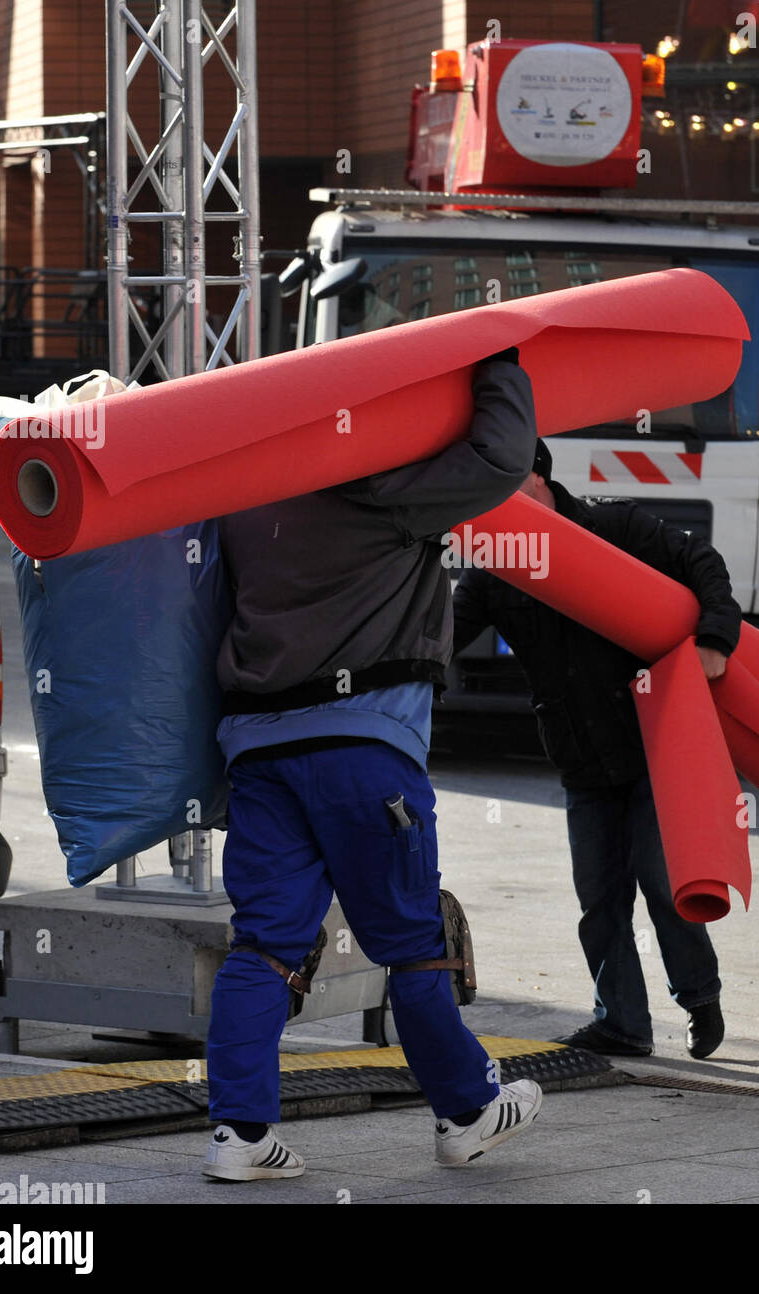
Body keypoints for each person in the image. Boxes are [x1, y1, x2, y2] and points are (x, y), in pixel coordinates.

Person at [203, 351, 542, 1181]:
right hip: (364, 751)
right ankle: (465, 1113)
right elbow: (503, 457)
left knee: (264, 947)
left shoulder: (243, 502)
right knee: (411, 945)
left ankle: (239, 1137)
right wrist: (498, 355)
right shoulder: (382, 495)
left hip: (259, 752)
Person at [452, 438, 742, 1061]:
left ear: (536, 478)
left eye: (501, 485)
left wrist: (716, 637)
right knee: (599, 899)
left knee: (663, 883)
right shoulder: (494, 564)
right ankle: (623, 1024)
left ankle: (698, 996)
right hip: (581, 758)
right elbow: (445, 632)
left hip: (650, 747)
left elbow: (700, 561)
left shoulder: (614, 526)